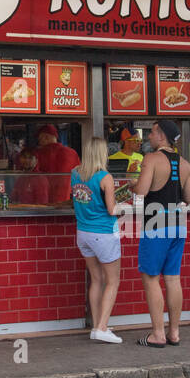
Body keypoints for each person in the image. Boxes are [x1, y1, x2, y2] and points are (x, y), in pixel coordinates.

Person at [132, 120, 190, 348]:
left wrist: (134, 184)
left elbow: (142, 191)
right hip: (178, 224)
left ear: (162, 136)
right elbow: (189, 198)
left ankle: (158, 334)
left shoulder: (151, 160)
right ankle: (174, 333)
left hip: (156, 224)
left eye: (152, 133)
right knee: (172, 279)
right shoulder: (186, 165)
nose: (148, 137)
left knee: (150, 278)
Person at [72, 137, 124, 344]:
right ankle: (102, 327)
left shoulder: (75, 173)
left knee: (96, 280)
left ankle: (96, 326)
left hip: (82, 233)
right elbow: (112, 209)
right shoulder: (105, 177)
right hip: (103, 233)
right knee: (113, 281)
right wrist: (125, 207)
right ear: (102, 153)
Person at [33, 124, 77, 204]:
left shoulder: (39, 153)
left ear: (45, 137)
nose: (39, 142)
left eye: (39, 139)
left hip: (46, 200)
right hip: (67, 200)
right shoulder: (72, 153)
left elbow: (34, 174)